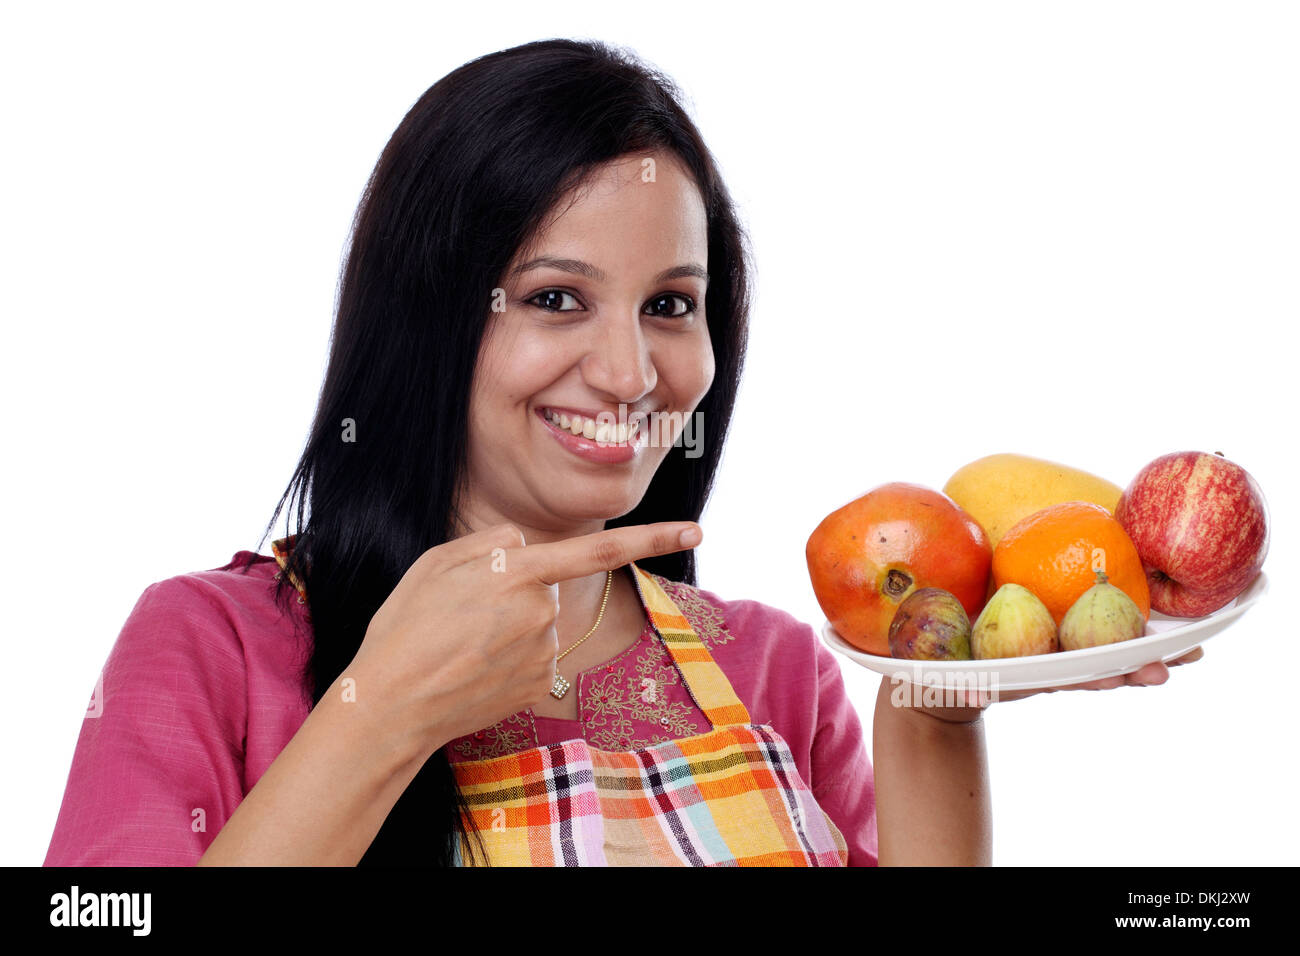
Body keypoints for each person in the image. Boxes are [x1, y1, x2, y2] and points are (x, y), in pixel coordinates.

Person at [43, 38, 1198, 868]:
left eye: (668, 304)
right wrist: (379, 712)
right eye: (555, 297)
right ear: (429, 315)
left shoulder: (773, 670)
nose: (630, 373)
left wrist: (936, 708)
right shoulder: (209, 646)